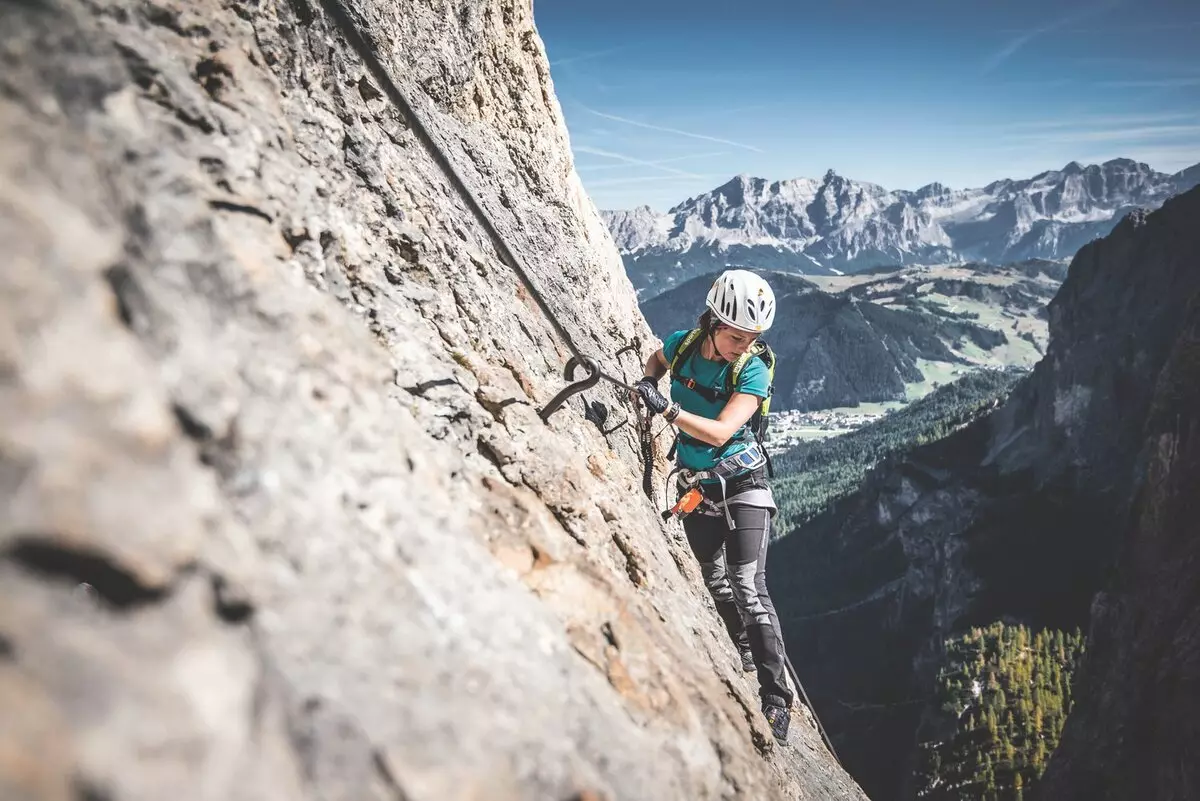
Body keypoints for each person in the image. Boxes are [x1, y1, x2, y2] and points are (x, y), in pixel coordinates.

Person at [633, 269, 795, 745]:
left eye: (751, 338)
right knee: (713, 577)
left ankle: (775, 699)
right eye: (735, 336)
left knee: (749, 585)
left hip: (743, 482)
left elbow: (723, 432)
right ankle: (741, 644)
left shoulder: (752, 368)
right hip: (699, 486)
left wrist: (663, 408)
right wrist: (648, 379)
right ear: (714, 322)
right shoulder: (684, 344)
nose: (742, 345)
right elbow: (657, 358)